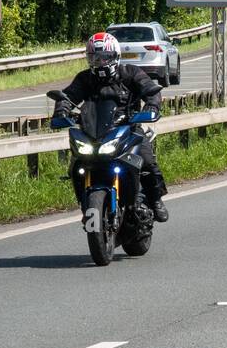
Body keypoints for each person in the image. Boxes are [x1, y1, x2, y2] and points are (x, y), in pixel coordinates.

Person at [53, 32, 169, 222]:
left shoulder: (130, 73)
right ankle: (86, 203)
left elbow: (150, 90)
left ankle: (156, 200)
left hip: (127, 129)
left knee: (147, 162)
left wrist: (152, 105)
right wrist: (61, 110)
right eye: (94, 58)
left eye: (104, 57)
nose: (100, 62)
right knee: (76, 166)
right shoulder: (85, 79)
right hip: (93, 133)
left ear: (115, 56)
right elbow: (69, 95)